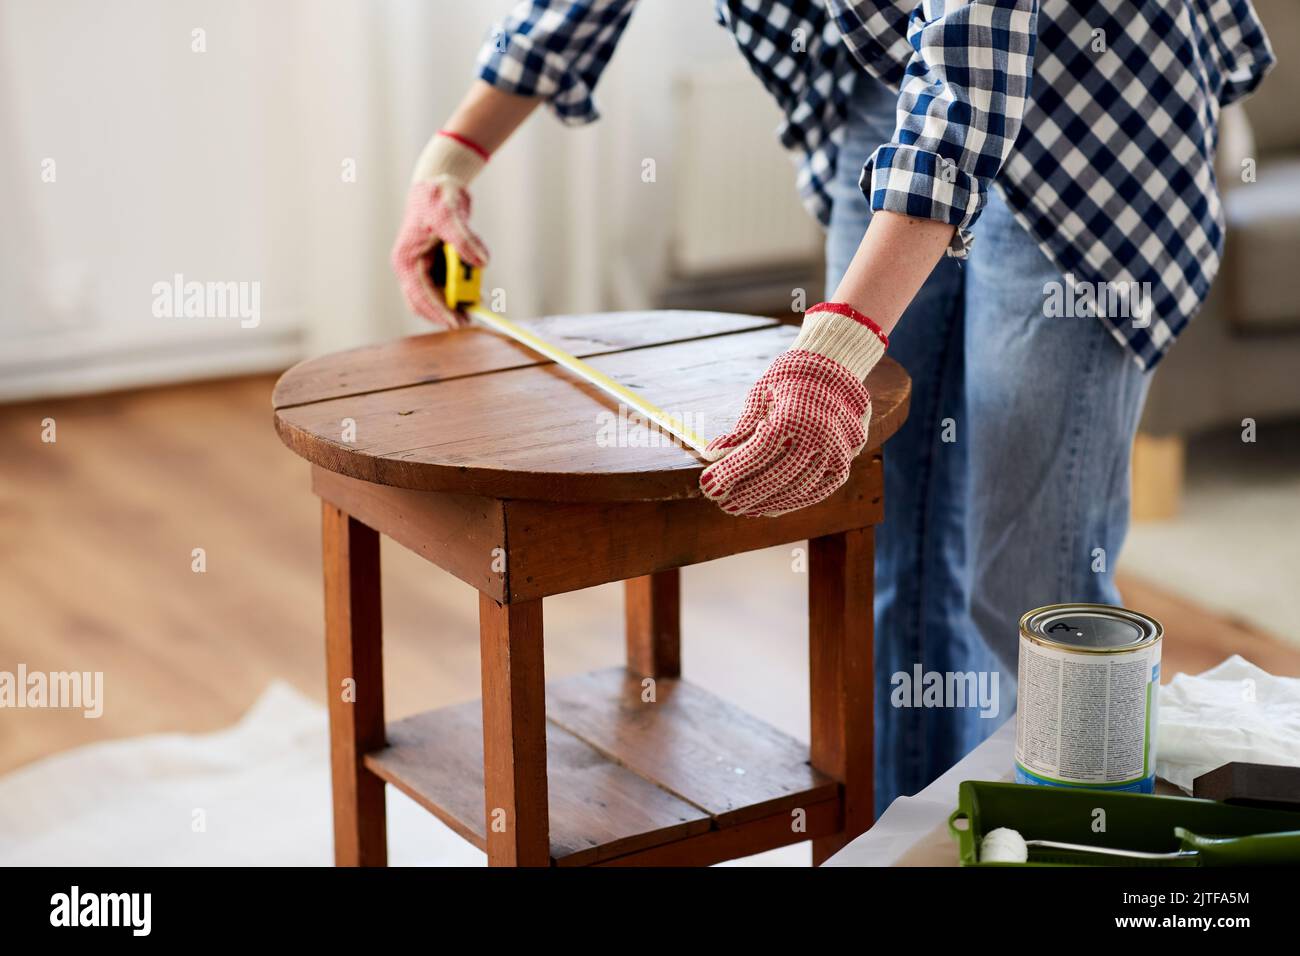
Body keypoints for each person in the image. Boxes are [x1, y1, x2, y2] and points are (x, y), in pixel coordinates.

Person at [391, 0, 1274, 815]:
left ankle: (1077, 839)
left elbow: (972, 63)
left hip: (1090, 108)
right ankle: (912, 828)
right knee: (888, 535)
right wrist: (451, 159)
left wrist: (838, 345)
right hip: (890, 84)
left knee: (1031, 580)